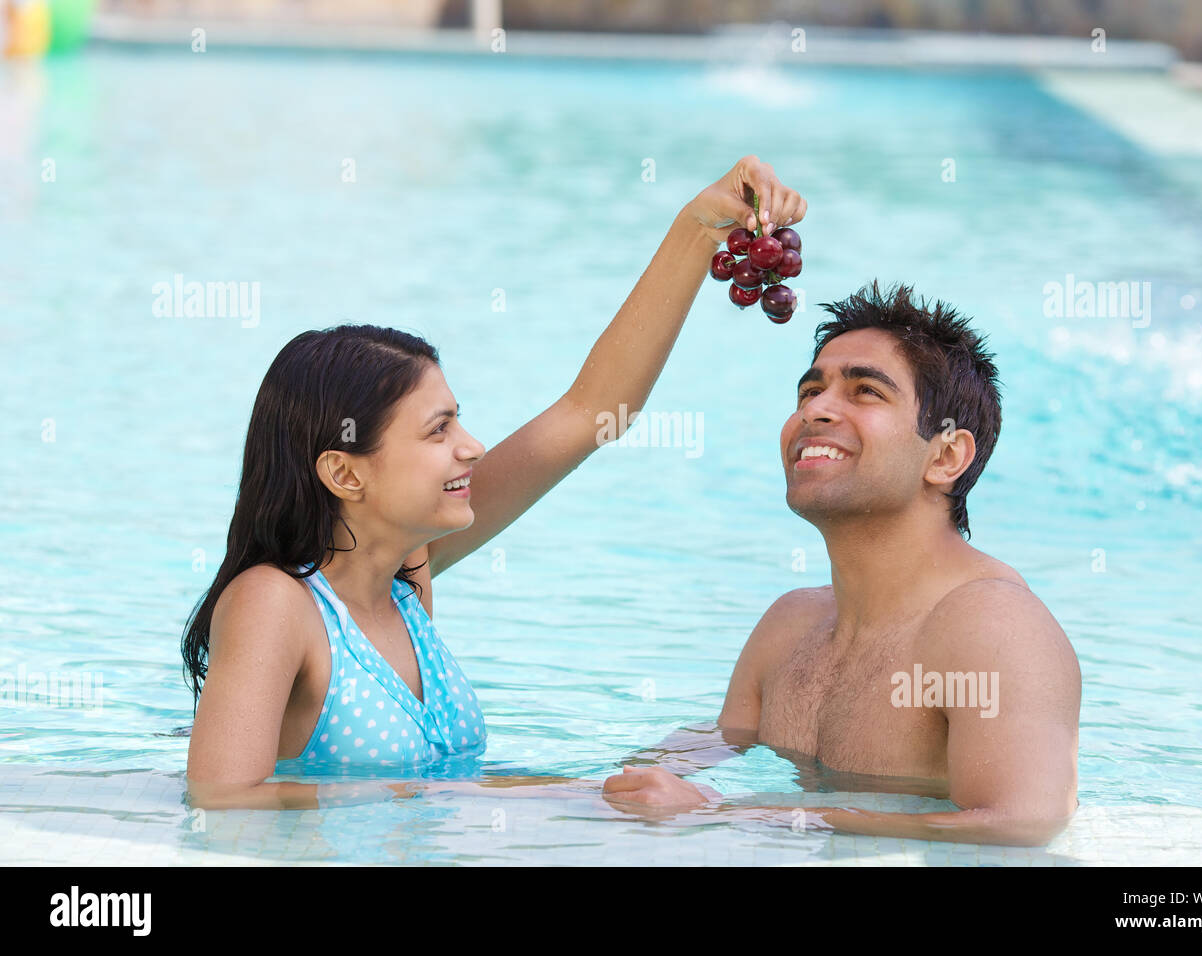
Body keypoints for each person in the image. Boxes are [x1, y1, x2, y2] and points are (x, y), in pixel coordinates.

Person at [182, 156, 807, 810]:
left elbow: (592, 411)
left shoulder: (405, 582)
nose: (472, 447)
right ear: (344, 470)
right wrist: (496, 799)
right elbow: (223, 802)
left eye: (461, 421)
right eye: (438, 430)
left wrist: (698, 228)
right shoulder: (274, 605)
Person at [601, 281, 1082, 847]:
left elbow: (1021, 825)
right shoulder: (792, 624)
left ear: (946, 455)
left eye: (865, 393)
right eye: (810, 391)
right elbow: (719, 743)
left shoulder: (991, 624)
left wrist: (731, 816)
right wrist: (606, 784)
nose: (816, 411)